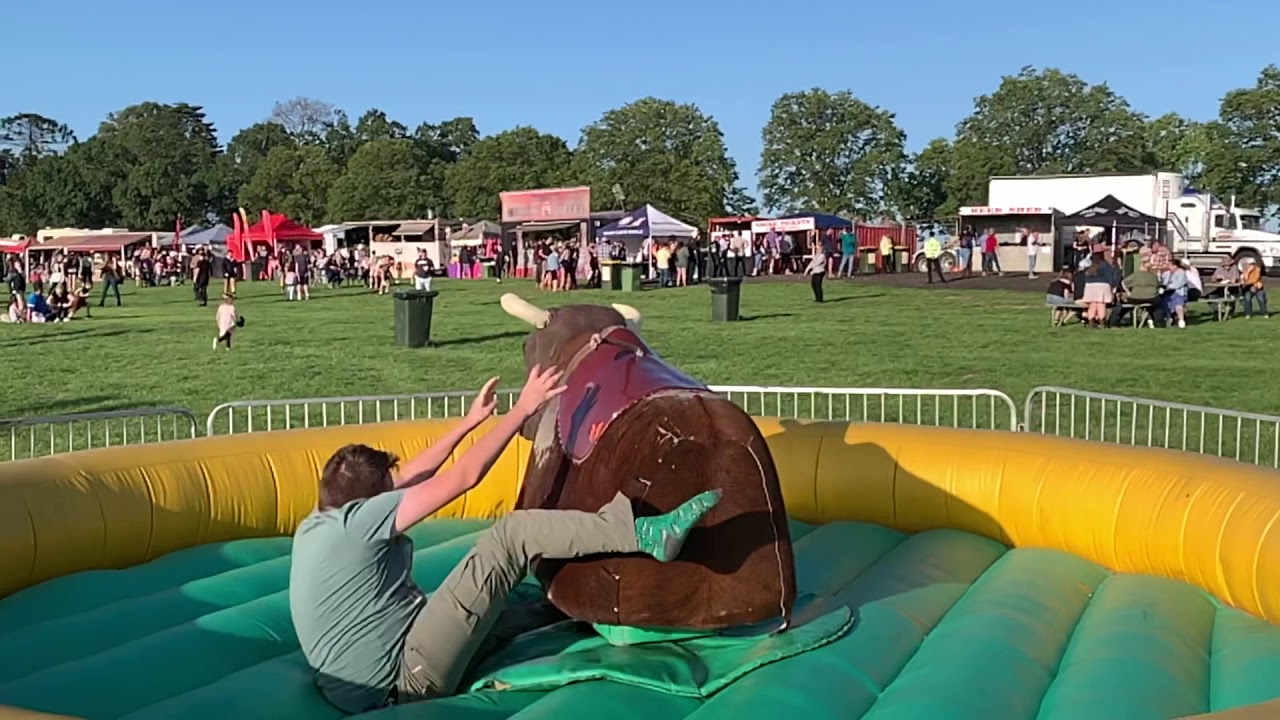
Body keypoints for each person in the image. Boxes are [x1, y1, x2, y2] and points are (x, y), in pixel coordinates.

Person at [289, 369, 722, 713]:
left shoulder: (324, 522)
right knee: (511, 536)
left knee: (521, 610)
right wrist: (523, 410)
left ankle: (587, 603)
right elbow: (465, 477)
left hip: (380, 676)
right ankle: (639, 531)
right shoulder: (360, 524)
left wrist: (470, 423)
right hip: (403, 682)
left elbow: (411, 478)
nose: (398, 488)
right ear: (369, 499)